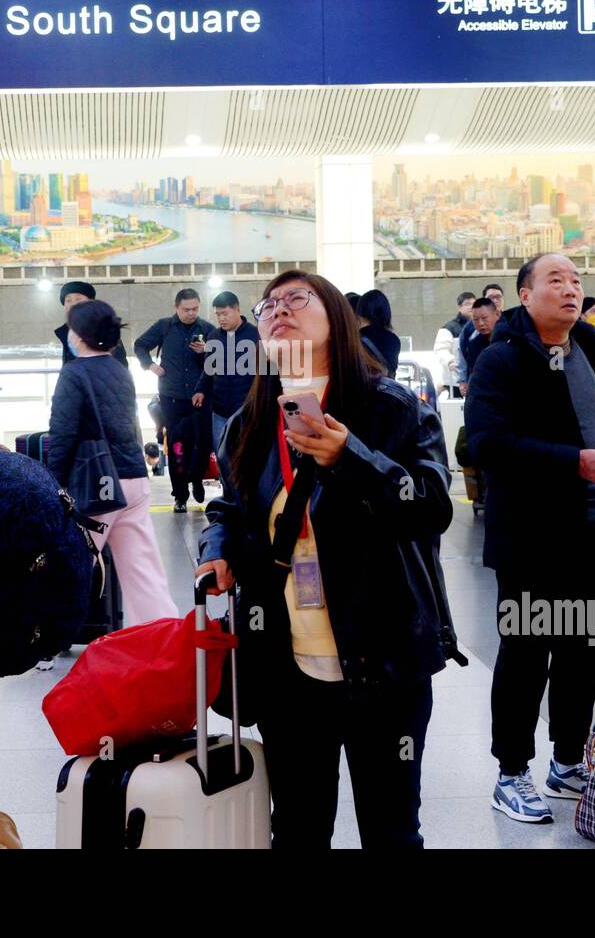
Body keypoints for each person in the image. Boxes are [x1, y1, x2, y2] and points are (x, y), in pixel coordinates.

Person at [197, 271, 455, 849]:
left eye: (297, 298)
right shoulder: (250, 422)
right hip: (286, 667)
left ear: (335, 316)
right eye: (268, 305)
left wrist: (351, 457)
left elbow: (432, 505)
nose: (278, 310)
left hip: (382, 658)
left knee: (390, 829)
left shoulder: (391, 407)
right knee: (297, 827)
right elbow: (233, 511)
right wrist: (217, 553)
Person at [465, 253, 595, 824]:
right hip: (531, 536)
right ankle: (510, 772)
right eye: (555, 281)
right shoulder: (503, 360)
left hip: (589, 529)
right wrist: (574, 463)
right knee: (526, 653)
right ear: (524, 295)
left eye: (576, 281)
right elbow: (485, 444)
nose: (570, 290)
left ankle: (568, 761)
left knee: (581, 649)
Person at [46, 300, 178, 626]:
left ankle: (44, 638)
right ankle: (164, 642)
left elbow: (63, 434)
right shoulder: (120, 370)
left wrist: (53, 482)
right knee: (143, 572)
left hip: (96, 486)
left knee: (70, 564)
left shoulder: (73, 373)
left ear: (79, 336)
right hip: (133, 477)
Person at [134, 289, 215, 512]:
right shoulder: (165, 327)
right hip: (172, 398)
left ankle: (197, 478)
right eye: (186, 309)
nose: (191, 313)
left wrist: (209, 349)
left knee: (203, 444)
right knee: (178, 447)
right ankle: (180, 495)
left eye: (195, 309)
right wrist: (149, 365)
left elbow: (222, 358)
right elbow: (140, 345)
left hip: (200, 397)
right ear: (176, 308)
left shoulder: (207, 329)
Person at [193, 291, 261, 455]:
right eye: (218, 315)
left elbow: (266, 375)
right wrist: (200, 390)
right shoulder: (214, 336)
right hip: (220, 410)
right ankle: (226, 482)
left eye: (225, 313)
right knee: (222, 455)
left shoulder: (256, 336)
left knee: (247, 455)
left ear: (237, 309)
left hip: (248, 410)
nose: (221, 318)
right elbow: (209, 369)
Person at [55, 280, 129, 367]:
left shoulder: (104, 331)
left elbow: (119, 366)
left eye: (78, 299)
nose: (73, 304)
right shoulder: (67, 333)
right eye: (68, 300)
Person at [434, 292, 476, 398]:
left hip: (477, 379)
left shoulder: (480, 325)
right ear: (459, 307)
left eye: (474, 303)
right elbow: (441, 350)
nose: (471, 306)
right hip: (455, 382)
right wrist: (451, 362)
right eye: (467, 304)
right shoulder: (449, 328)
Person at [456, 297, 498, 396]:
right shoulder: (473, 343)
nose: (481, 323)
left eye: (484, 318)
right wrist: (463, 381)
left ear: (497, 314)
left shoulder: (510, 338)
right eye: (475, 320)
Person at [356, 289, 400, 378]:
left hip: (362, 390)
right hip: (387, 390)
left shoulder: (354, 339)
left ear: (360, 312)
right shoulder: (394, 340)